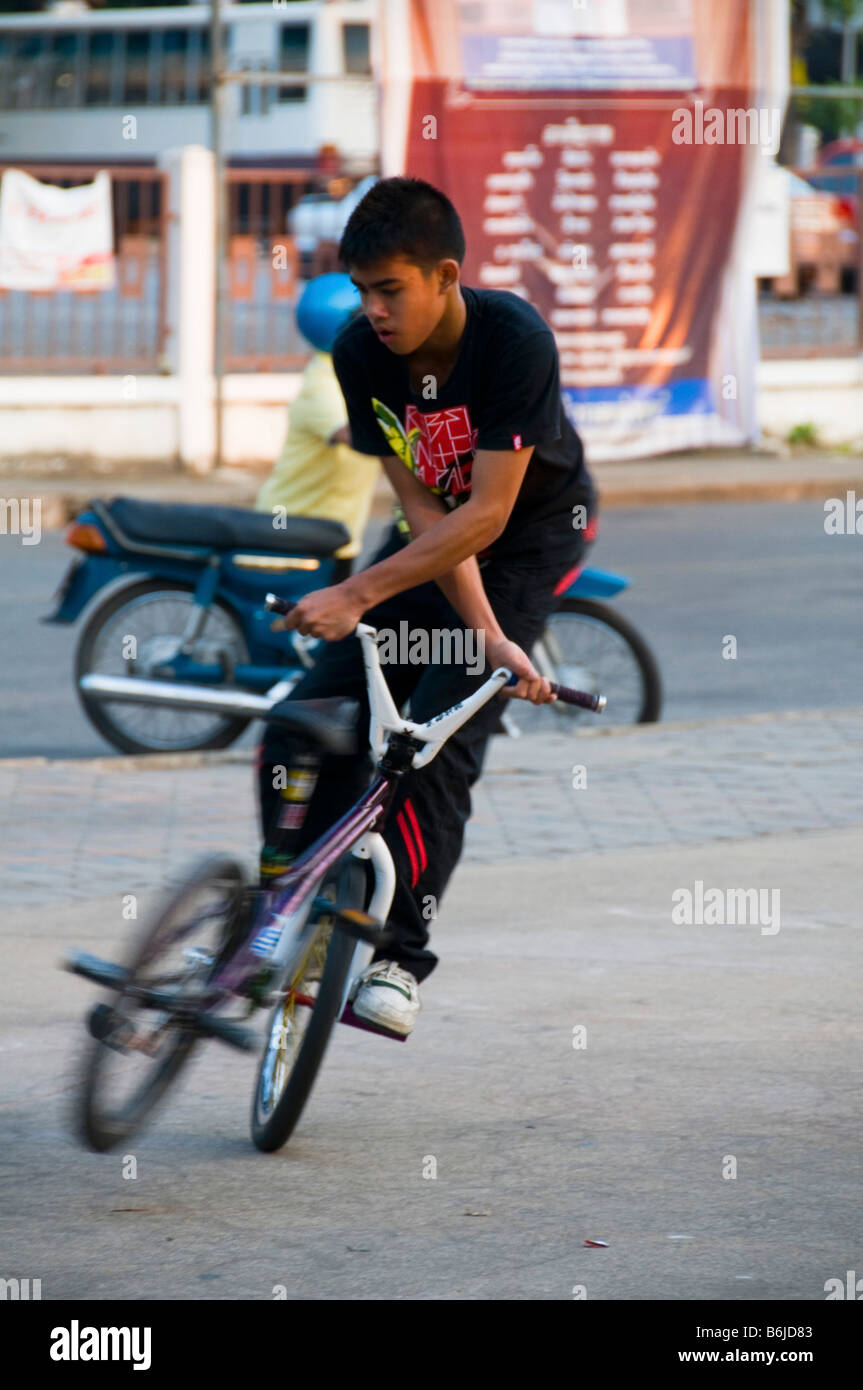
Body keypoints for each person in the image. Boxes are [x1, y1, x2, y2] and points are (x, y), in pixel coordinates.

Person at [257, 176, 597, 1036]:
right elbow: (421, 504)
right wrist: (404, 605)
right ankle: (274, 905)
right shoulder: (356, 352)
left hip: (526, 540)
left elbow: (486, 517)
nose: (371, 308)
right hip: (435, 535)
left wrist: (479, 632)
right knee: (304, 720)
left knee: (430, 747)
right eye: (361, 288)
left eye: (390, 288)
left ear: (445, 275)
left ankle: (400, 959)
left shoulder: (512, 341)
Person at [254, 283, 380, 561]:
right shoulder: (322, 382)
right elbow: (354, 436)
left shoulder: (357, 370)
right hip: (292, 540)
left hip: (333, 536)